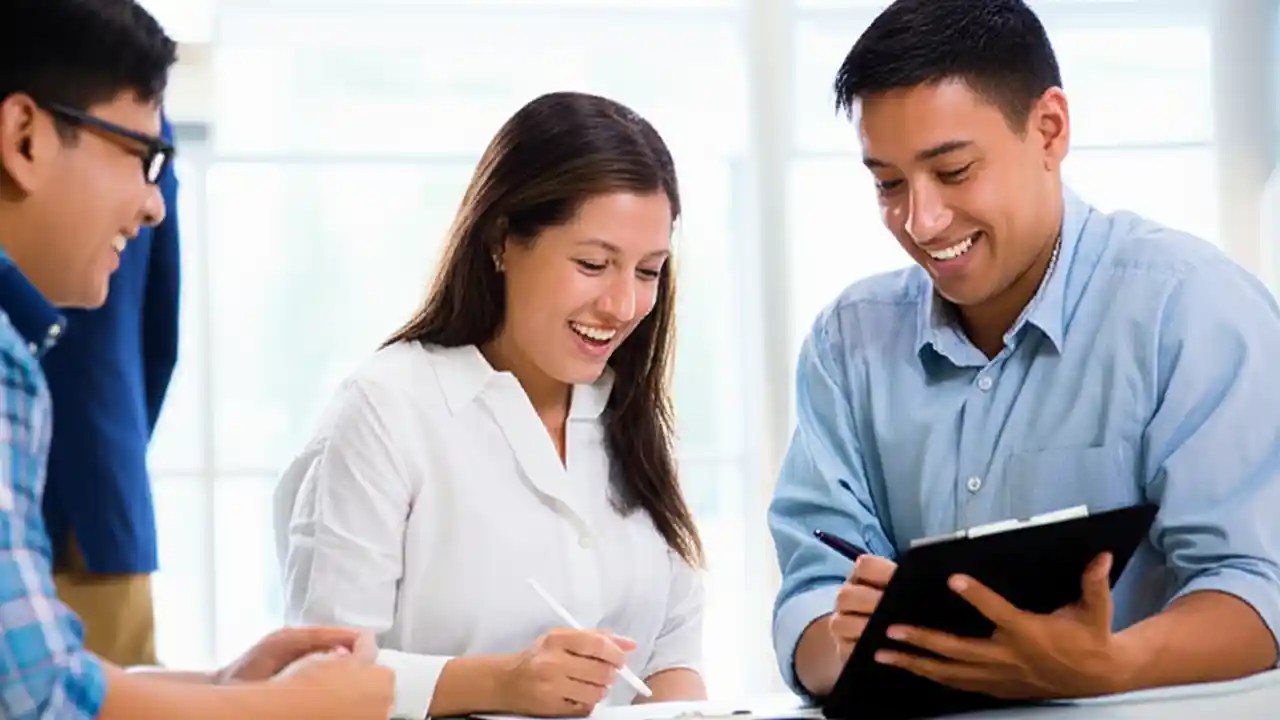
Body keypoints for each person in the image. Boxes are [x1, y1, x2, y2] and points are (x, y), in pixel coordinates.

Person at [769, 0, 1280, 704]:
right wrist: (840, 640)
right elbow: (810, 591)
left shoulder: (1191, 311)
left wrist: (1112, 664)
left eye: (952, 172)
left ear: (1049, 130)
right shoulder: (846, 342)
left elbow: (1257, 585)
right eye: (887, 183)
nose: (919, 221)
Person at [0, 1, 393, 718]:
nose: (154, 207)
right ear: (24, 137)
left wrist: (229, 688)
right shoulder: (8, 368)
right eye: (140, 157)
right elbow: (40, 698)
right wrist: (291, 710)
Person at [274, 90, 708, 719]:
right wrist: (497, 683)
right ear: (503, 240)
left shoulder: (631, 416)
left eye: (647, 272)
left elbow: (673, 659)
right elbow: (323, 675)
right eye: (593, 264)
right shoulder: (388, 408)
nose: (622, 307)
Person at [40, 109, 180, 668]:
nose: (151, 206)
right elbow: (157, 333)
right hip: (96, 468)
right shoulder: (124, 97)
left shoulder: (120, 100)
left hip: (90, 503)